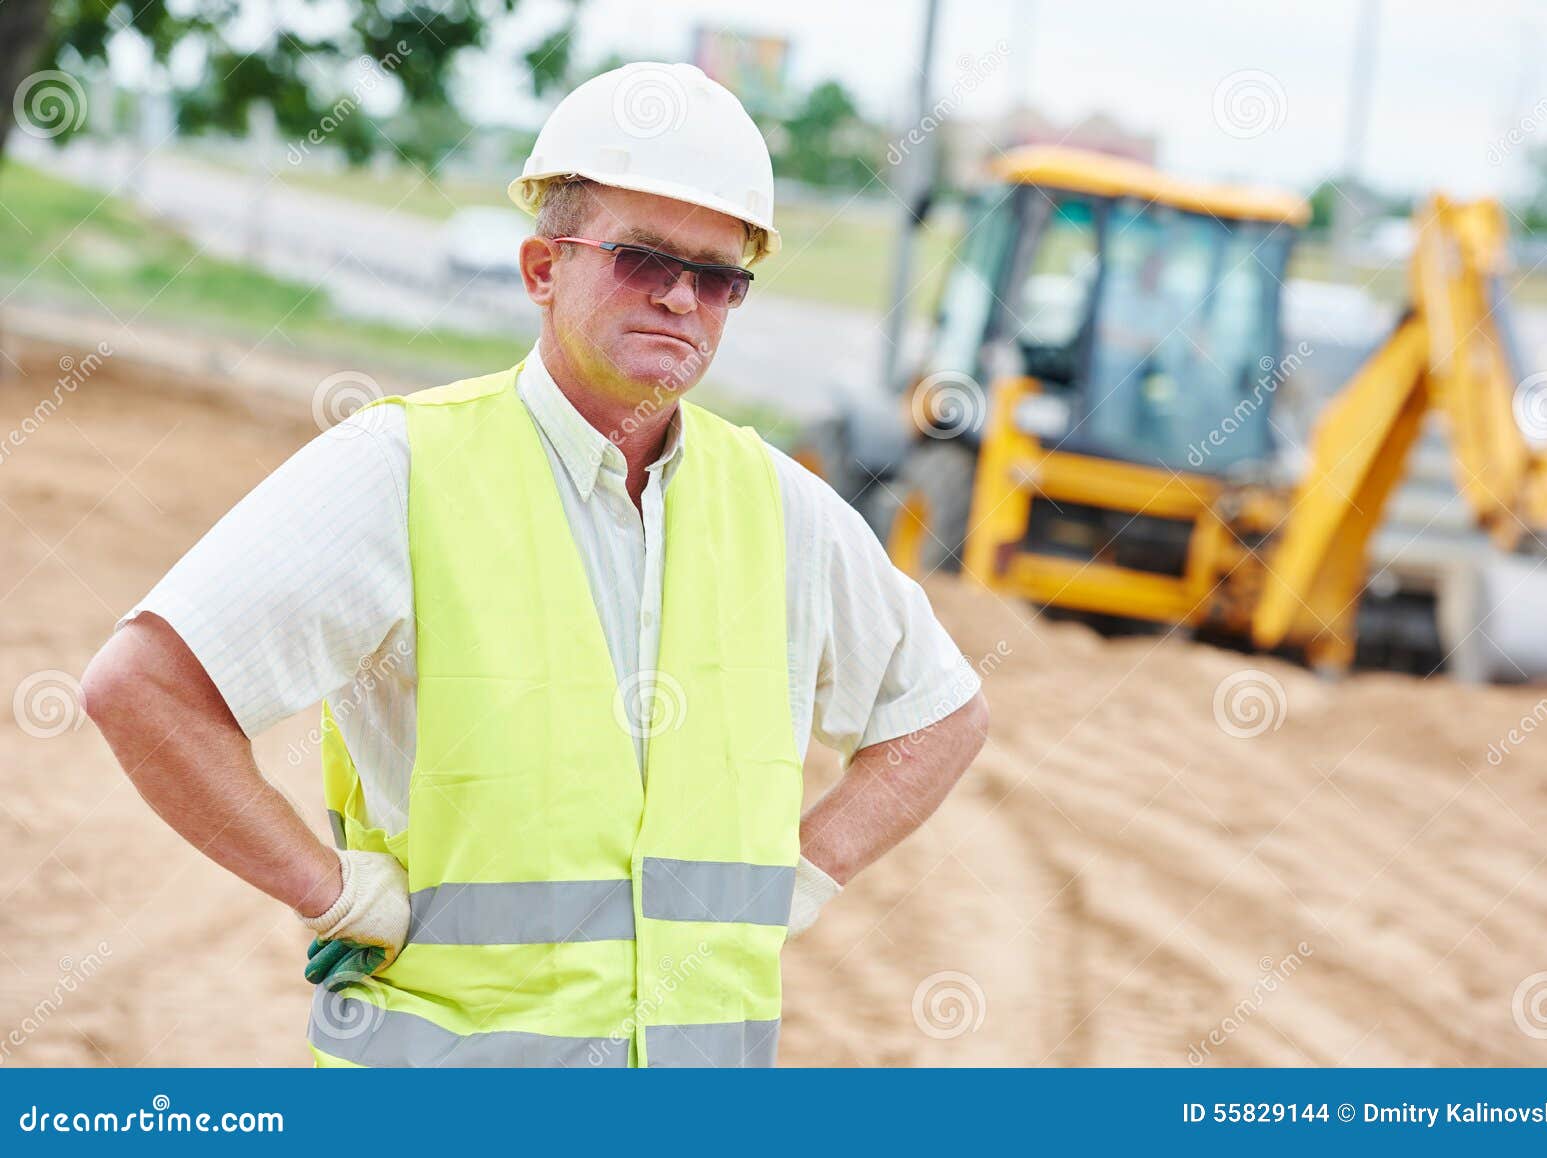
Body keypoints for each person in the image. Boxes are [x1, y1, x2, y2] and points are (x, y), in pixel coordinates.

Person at [81, 60, 988, 1068]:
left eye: (718, 276)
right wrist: (330, 891)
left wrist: (802, 874)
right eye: (642, 259)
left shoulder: (784, 509)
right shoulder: (401, 468)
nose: (681, 297)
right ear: (542, 269)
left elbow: (940, 713)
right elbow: (144, 687)